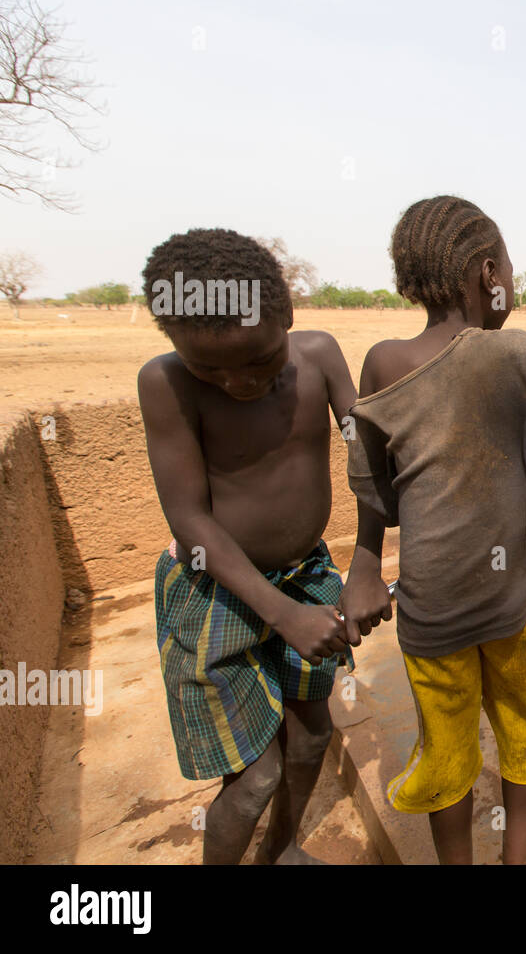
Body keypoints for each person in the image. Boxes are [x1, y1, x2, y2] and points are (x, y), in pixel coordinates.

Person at [340, 196, 526, 865]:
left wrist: (364, 566)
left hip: (431, 612)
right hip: (517, 602)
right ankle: (518, 860)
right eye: (509, 266)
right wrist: (510, 498)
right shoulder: (519, 353)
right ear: (486, 272)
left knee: (445, 754)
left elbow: (375, 486)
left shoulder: (382, 362)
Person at [140, 228, 359, 864]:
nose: (236, 383)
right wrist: (283, 614)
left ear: (288, 316)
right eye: (209, 368)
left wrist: (368, 559)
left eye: (259, 361)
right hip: (219, 593)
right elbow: (190, 521)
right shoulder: (166, 384)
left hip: (307, 575)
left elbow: (363, 444)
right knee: (255, 775)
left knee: (312, 736)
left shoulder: (319, 357)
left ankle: (282, 851)